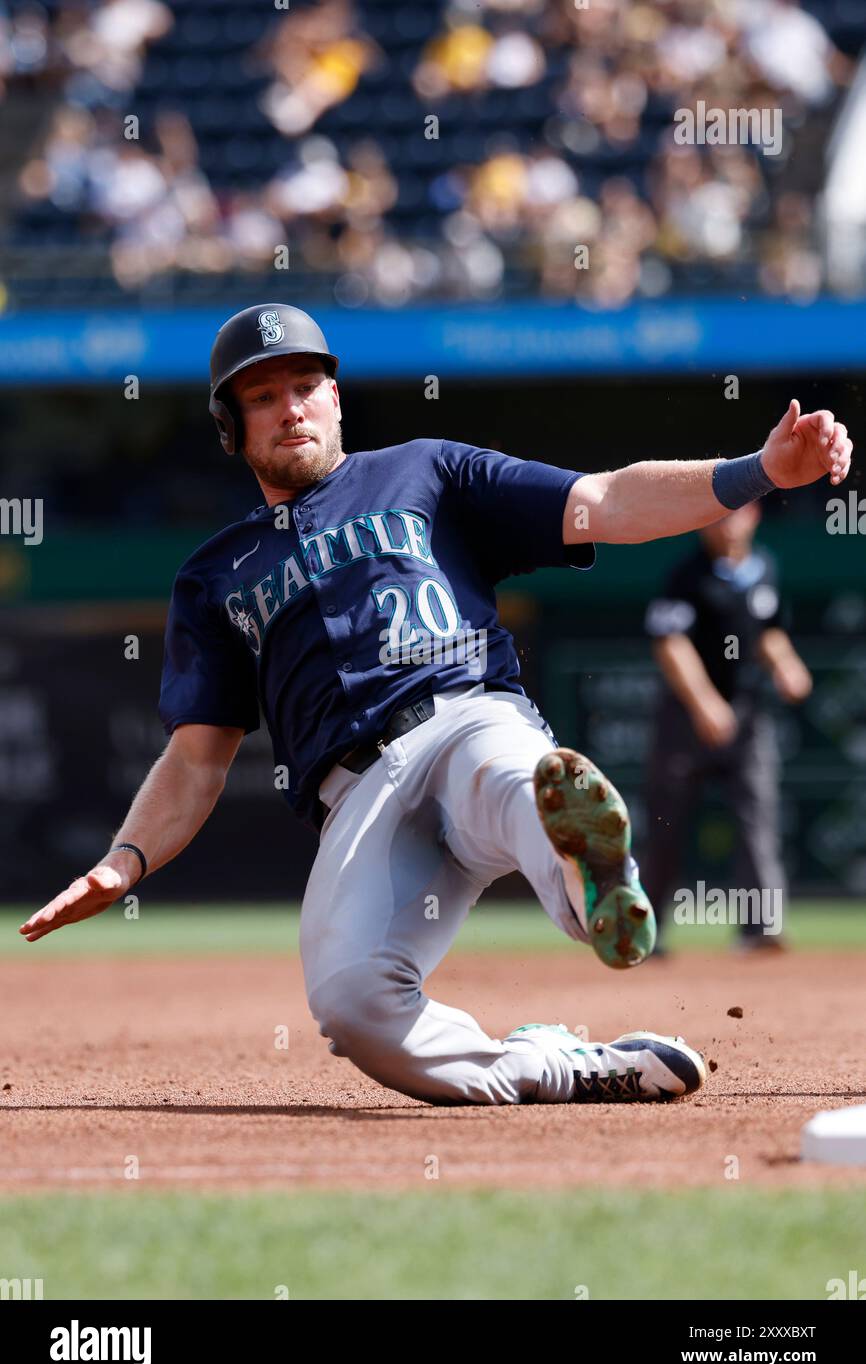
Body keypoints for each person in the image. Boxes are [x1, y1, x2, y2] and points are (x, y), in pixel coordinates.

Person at [20, 304, 852, 1108]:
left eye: (305, 385)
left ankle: (592, 876)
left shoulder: (426, 471)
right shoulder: (214, 575)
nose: (290, 408)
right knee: (353, 1007)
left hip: (464, 715)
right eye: (263, 397)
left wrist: (759, 472)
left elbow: (604, 501)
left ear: (336, 398)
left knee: (513, 776)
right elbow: (198, 758)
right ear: (231, 427)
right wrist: (123, 860)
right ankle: (556, 1065)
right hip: (356, 799)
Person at [642, 502, 812, 955]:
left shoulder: (764, 569)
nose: (726, 522)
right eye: (717, 514)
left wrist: (787, 665)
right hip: (685, 720)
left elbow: (769, 632)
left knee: (760, 819)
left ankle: (761, 931)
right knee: (664, 826)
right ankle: (643, 932)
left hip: (749, 715)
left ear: (753, 517)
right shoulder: (686, 575)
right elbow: (670, 643)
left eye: (735, 513)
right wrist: (704, 703)